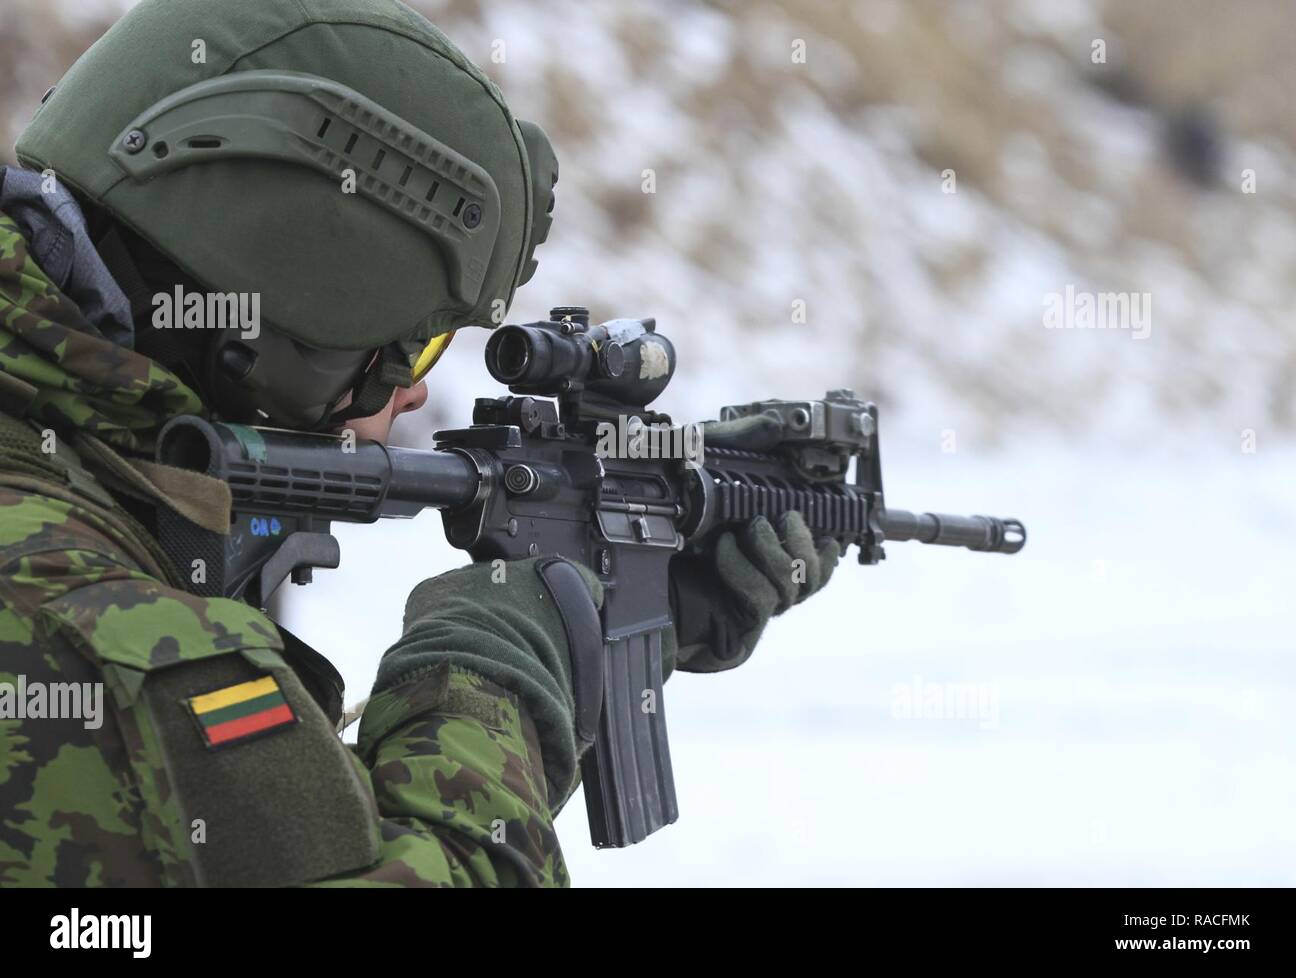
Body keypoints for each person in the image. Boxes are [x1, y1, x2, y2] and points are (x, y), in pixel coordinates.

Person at [0, 0, 838, 887]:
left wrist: (608, 630)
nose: (414, 392)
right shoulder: (95, 639)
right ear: (273, 317)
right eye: (413, 342)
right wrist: (488, 685)